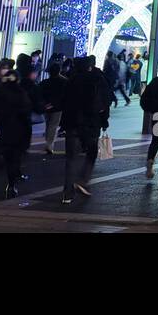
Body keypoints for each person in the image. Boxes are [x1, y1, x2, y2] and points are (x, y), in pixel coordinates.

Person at [60, 56, 110, 204]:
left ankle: (67, 193)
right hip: (91, 123)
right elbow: (105, 102)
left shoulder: (71, 81)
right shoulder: (97, 79)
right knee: (91, 153)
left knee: (71, 158)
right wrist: (104, 120)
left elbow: (64, 102)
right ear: (90, 66)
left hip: (72, 124)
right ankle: (83, 179)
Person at [0, 70, 32, 199]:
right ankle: (10, 186)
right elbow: (26, 117)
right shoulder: (21, 94)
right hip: (15, 135)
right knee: (12, 162)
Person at [39, 62, 67, 155]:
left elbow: (40, 94)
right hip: (57, 107)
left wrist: (46, 104)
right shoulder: (64, 82)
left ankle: (48, 142)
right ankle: (49, 144)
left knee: (48, 124)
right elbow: (63, 95)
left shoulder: (44, 82)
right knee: (53, 125)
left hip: (46, 106)